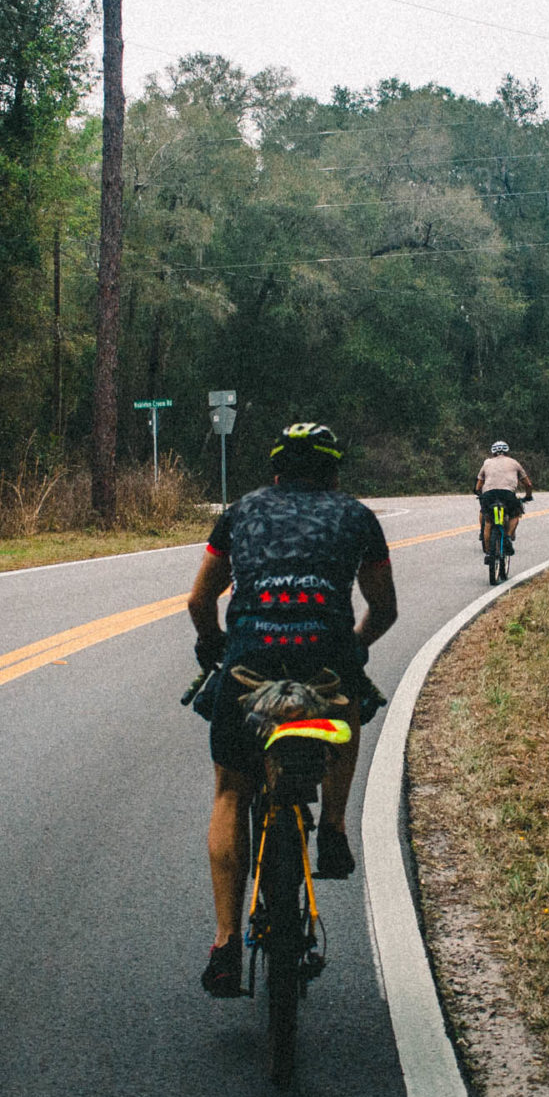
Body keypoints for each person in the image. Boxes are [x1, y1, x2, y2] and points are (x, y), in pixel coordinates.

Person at [186, 422, 398, 998]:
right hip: (323, 658)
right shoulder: (357, 516)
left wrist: (216, 646)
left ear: (276, 471)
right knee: (348, 695)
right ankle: (333, 827)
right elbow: (384, 609)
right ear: (333, 474)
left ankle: (225, 944)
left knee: (232, 791)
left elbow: (200, 600)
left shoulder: (240, 512)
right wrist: (352, 647)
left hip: (249, 660)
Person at [474, 440, 535, 555]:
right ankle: (507, 537)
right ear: (507, 452)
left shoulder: (487, 463)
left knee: (488, 521)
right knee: (515, 514)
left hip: (489, 495)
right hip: (507, 494)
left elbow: (478, 485)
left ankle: (488, 552)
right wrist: (528, 496)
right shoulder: (514, 463)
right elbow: (528, 484)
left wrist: (480, 494)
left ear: (493, 452)